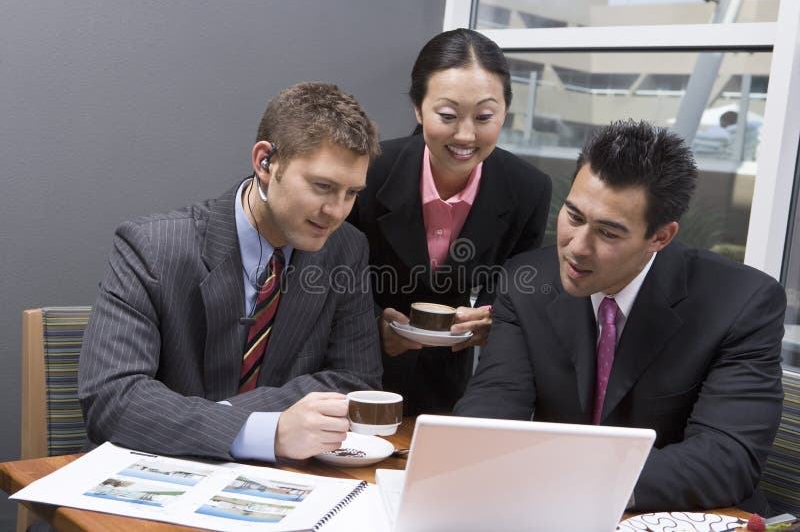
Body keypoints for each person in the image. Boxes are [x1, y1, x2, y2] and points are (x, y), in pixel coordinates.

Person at [454, 120, 786, 513]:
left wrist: (575, 483)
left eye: (608, 233)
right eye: (574, 216)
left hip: (679, 515)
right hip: (548, 507)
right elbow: (490, 410)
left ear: (660, 237)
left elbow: (727, 459)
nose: (577, 248)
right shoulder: (526, 282)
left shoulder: (741, 303)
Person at [79, 82, 383, 463]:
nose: (337, 211)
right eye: (322, 186)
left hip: (282, 482)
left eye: (351, 193)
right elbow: (112, 399)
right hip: (152, 475)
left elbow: (356, 382)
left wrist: (232, 420)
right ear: (265, 163)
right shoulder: (151, 246)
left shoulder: (346, 249)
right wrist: (263, 430)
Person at [347, 29, 552, 415]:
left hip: (447, 382)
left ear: (505, 112)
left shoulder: (528, 189)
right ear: (418, 108)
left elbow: (513, 287)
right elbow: (335, 274)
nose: (466, 135)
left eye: (485, 117)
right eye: (448, 116)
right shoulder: (369, 171)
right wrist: (374, 323)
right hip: (358, 369)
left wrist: (490, 317)